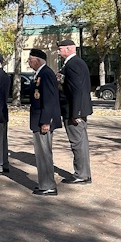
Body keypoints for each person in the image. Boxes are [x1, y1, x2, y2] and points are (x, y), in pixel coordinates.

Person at [57, 39, 92, 184]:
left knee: (77, 143)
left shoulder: (73, 64)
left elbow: (77, 90)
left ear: (69, 49)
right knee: (81, 143)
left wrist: (75, 113)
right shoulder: (74, 63)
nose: (58, 52)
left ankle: (81, 175)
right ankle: (84, 173)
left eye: (60, 49)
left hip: (73, 111)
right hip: (75, 110)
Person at [28, 49, 63, 196]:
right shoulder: (40, 74)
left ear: (38, 60)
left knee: (44, 154)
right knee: (40, 154)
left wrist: (45, 122)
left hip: (43, 120)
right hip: (38, 118)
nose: (29, 63)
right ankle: (44, 183)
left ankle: (48, 185)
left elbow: (49, 100)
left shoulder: (46, 74)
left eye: (30, 60)